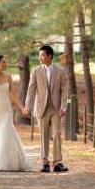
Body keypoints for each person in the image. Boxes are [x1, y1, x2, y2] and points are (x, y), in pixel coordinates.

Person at [23, 45, 69, 173]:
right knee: (44, 135)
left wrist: (64, 106)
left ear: (49, 56)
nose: (40, 57)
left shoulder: (60, 71)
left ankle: (58, 162)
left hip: (56, 108)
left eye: (42, 55)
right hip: (41, 108)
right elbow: (31, 90)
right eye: (40, 55)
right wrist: (28, 106)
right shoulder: (36, 71)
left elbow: (65, 90)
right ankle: (45, 163)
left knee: (57, 134)